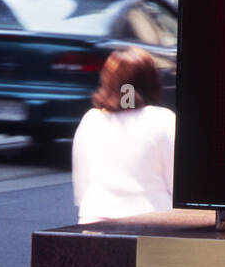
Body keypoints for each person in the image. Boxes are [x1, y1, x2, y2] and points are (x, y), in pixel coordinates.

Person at [72, 47, 175, 224]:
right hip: (152, 222)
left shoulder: (91, 120)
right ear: (151, 81)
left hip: (95, 219)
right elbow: (176, 183)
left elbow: (82, 185)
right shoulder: (163, 119)